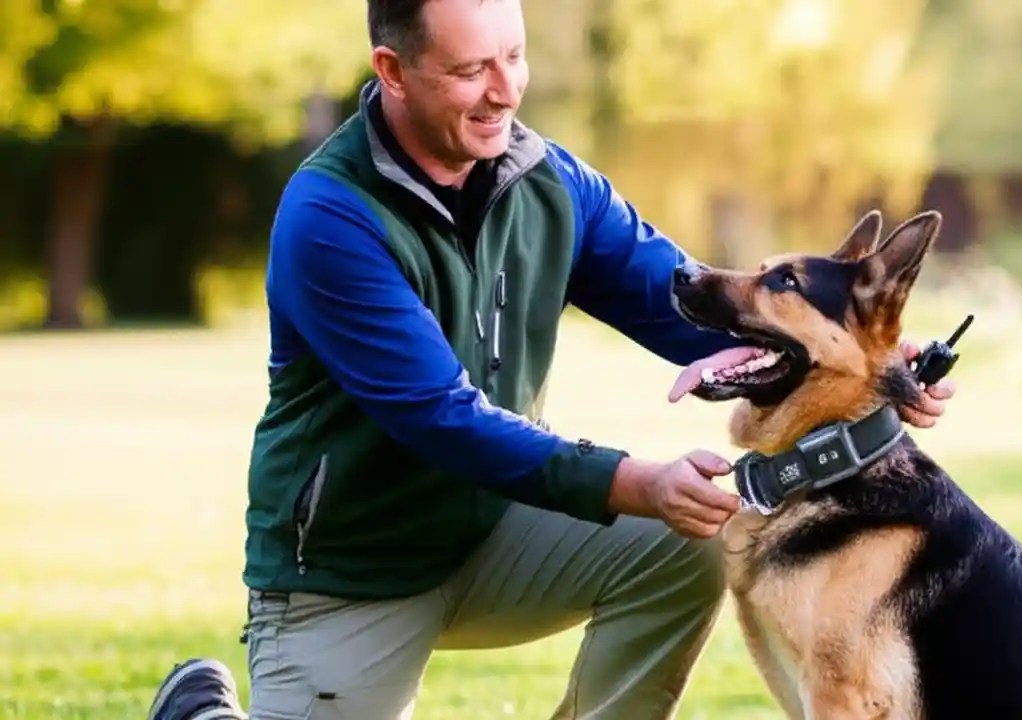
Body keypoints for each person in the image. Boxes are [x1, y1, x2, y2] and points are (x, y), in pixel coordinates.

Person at [144, 0, 956, 718]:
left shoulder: (549, 182)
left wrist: (859, 360)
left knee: (694, 539)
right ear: (392, 70)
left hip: (493, 532)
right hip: (350, 569)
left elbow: (678, 304)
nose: (504, 89)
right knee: (666, 506)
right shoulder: (330, 216)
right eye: (470, 69)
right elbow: (439, 417)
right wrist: (631, 480)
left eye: (514, 56)